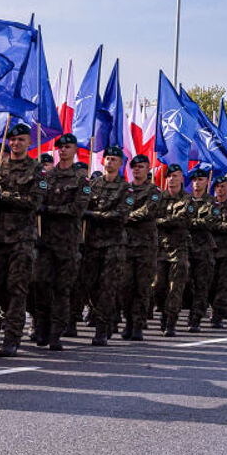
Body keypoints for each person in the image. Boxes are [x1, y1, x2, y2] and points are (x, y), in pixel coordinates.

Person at [0, 122, 44, 357]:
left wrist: (1, 196)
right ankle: (9, 319)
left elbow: (33, 202)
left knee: (16, 287)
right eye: (13, 140)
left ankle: (11, 337)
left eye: (21, 140)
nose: (16, 143)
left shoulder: (37, 171)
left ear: (28, 142)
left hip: (22, 238)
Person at [34, 134, 88, 350]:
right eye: (60, 147)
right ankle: (41, 327)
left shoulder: (81, 179)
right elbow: (37, 200)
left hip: (68, 242)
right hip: (46, 240)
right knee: (41, 284)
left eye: (67, 147)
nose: (63, 150)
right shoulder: (47, 176)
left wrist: (49, 210)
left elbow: (77, 209)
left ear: (75, 150)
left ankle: (56, 332)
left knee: (62, 288)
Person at [80, 145, 130, 346]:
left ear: (120, 164)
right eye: (107, 158)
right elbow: (82, 203)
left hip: (113, 244)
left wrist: (93, 215)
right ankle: (104, 319)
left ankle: (101, 329)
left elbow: (120, 214)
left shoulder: (126, 188)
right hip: (92, 243)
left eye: (114, 159)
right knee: (89, 285)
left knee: (107, 288)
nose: (110, 162)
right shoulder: (93, 185)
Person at [119, 154, 161, 340]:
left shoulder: (153, 191)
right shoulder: (125, 190)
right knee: (126, 286)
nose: (137, 169)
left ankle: (138, 324)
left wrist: (124, 217)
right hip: (126, 245)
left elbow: (148, 211)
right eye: (134, 167)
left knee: (142, 287)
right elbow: (117, 207)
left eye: (141, 167)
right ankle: (128, 321)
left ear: (148, 169)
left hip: (145, 247)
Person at [152, 164, 190, 336]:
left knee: (175, 287)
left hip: (179, 249)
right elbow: (150, 215)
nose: (172, 179)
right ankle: (163, 311)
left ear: (182, 178)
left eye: (176, 176)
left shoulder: (188, 200)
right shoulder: (159, 198)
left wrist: (160, 221)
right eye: (170, 176)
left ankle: (171, 321)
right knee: (159, 286)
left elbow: (182, 220)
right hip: (160, 249)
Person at [185, 166, 216, 333]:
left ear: (207, 182)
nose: (197, 183)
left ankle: (195, 317)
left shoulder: (212, 202)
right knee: (184, 284)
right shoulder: (186, 200)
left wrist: (188, 222)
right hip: (185, 248)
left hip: (203, 250)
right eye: (195, 180)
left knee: (201, 285)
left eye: (201, 180)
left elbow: (210, 221)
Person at [208, 174, 227, 328]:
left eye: (223, 186)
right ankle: (213, 307)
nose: (220, 189)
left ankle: (218, 315)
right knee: (210, 284)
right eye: (218, 187)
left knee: (224, 285)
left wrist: (213, 226)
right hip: (210, 251)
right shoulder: (210, 205)